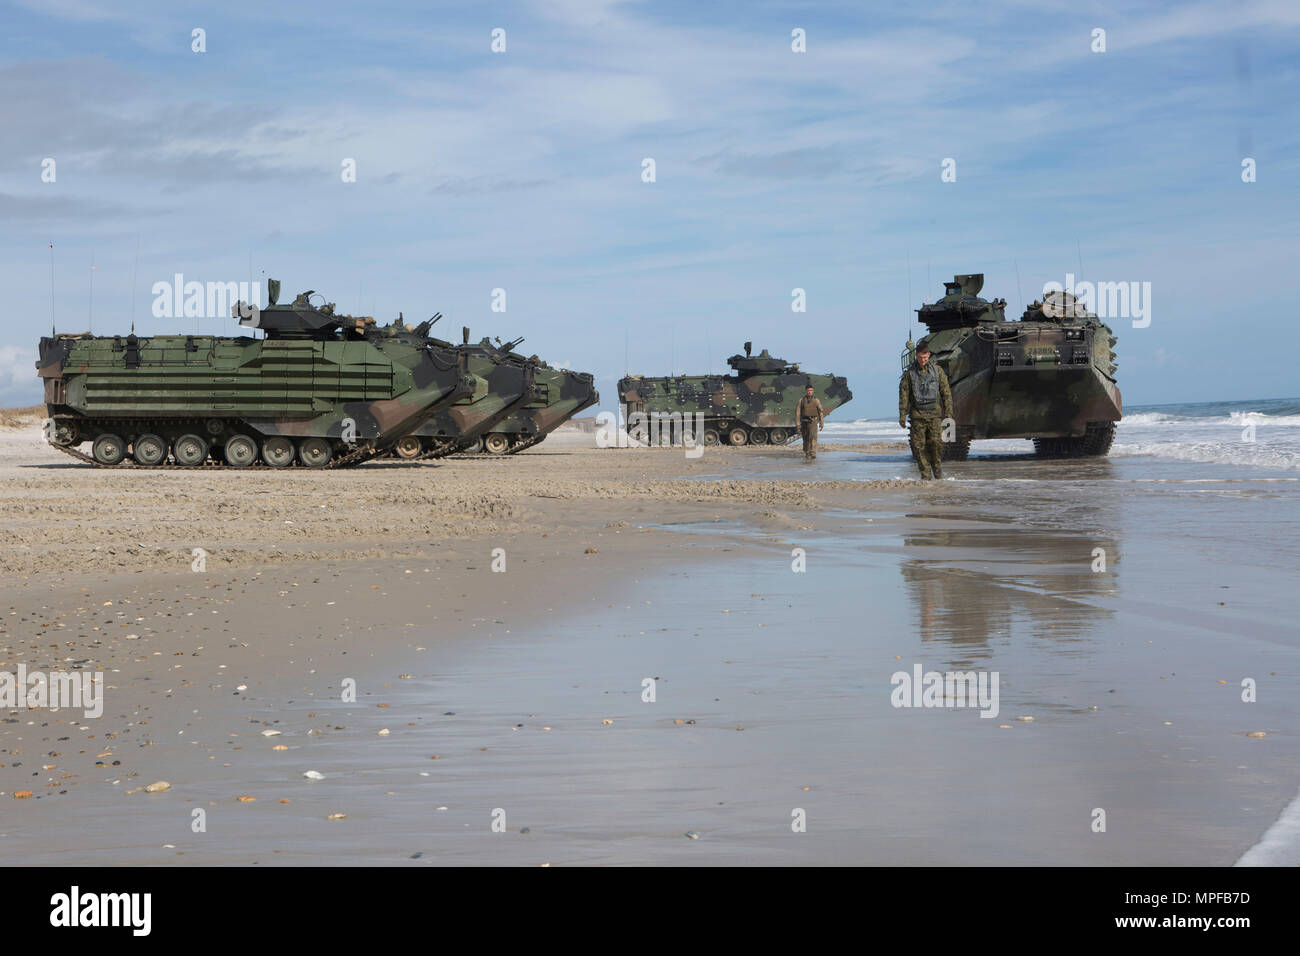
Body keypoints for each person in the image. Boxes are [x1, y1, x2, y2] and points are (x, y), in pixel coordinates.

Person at [898, 339, 953, 479]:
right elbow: (904, 395)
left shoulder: (938, 371)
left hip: (934, 414)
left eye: (925, 357)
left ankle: (937, 468)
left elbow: (946, 392)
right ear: (916, 355)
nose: (923, 360)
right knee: (918, 447)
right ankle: (926, 475)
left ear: (928, 355)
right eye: (920, 357)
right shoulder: (910, 374)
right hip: (918, 416)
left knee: (937, 444)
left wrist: (949, 412)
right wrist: (902, 415)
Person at [796, 384, 825, 460]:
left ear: (813, 391)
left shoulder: (816, 400)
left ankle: (813, 453)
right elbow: (798, 412)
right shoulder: (801, 400)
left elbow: (820, 411)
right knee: (805, 438)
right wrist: (798, 423)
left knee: (813, 437)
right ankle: (807, 452)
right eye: (808, 390)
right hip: (804, 421)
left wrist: (822, 422)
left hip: (813, 421)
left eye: (811, 390)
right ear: (806, 391)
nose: (809, 392)